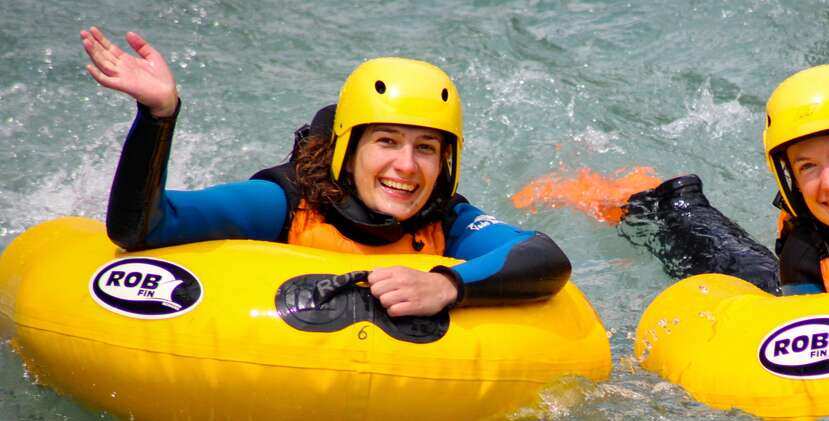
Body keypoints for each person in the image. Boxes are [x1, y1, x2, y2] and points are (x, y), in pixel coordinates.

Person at [81, 27, 571, 317]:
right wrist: (158, 117)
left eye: (426, 148)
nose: (406, 165)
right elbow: (142, 229)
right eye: (386, 142)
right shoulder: (283, 202)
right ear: (348, 148)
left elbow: (544, 257)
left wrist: (448, 285)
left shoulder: (444, 219)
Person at [515, 63, 829, 295]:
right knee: (704, 248)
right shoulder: (805, 247)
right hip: (779, 290)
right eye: (807, 167)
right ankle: (641, 197)